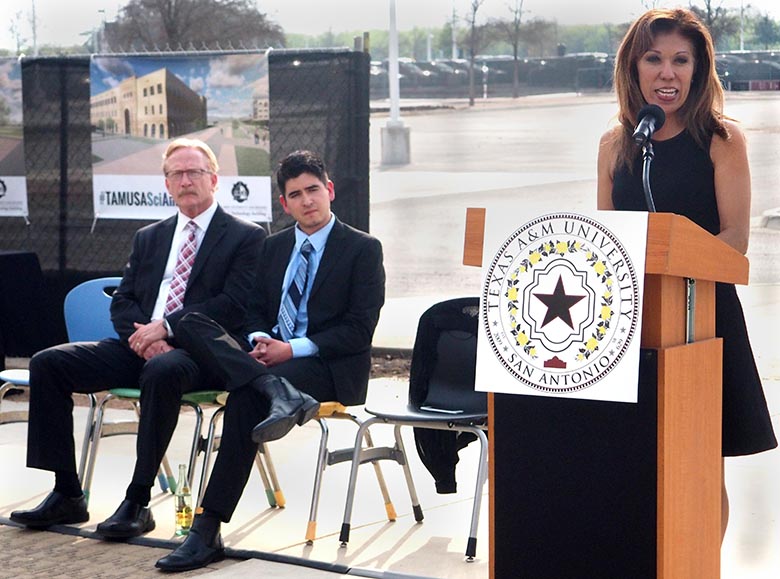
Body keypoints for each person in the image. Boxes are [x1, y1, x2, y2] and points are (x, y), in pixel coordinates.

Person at [9, 138, 266, 538]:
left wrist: (168, 328)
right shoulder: (150, 236)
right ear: (167, 184)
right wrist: (145, 338)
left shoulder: (245, 236)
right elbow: (123, 301)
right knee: (49, 363)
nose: (185, 181)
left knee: (164, 370)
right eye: (176, 174)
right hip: (141, 346)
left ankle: (137, 501)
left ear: (214, 179)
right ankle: (67, 493)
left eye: (194, 172)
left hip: (201, 354)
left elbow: (233, 304)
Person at [154, 149, 386, 572]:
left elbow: (358, 330)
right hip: (269, 359)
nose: (307, 201)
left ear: (330, 190)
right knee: (189, 320)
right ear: (284, 203)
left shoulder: (362, 248)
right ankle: (273, 387)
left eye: (313, 190)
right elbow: (253, 312)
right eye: (295, 195)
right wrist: (260, 339)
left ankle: (206, 529)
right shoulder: (273, 246)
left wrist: (290, 349)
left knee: (244, 399)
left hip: (326, 365)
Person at [597, 7, 777, 539]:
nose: (667, 73)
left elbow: (735, 240)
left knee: (699, 468)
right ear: (633, 67)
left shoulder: (722, 139)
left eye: (681, 60)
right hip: (631, 325)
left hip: (703, 320)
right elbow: (604, 242)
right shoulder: (616, 143)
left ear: (699, 70)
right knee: (635, 467)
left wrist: (676, 270)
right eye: (654, 59)